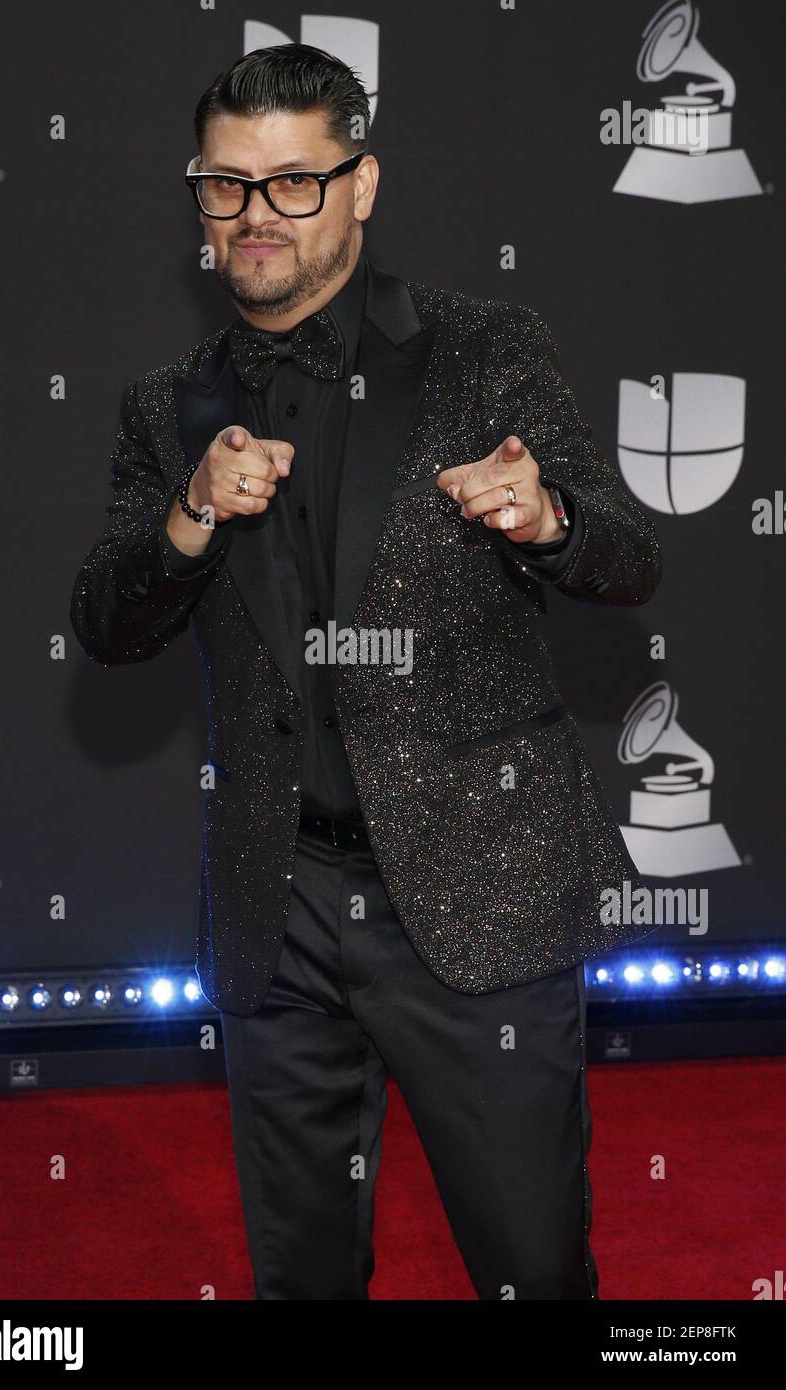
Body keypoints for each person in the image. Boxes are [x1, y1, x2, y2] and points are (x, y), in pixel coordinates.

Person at [70, 42, 661, 1300]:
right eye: (226, 186)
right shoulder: (163, 405)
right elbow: (109, 624)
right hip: (273, 906)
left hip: (474, 894)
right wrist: (186, 515)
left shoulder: (484, 347)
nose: (255, 216)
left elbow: (626, 559)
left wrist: (544, 513)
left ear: (362, 184)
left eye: (293, 182)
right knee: (302, 1279)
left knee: (532, 1267)